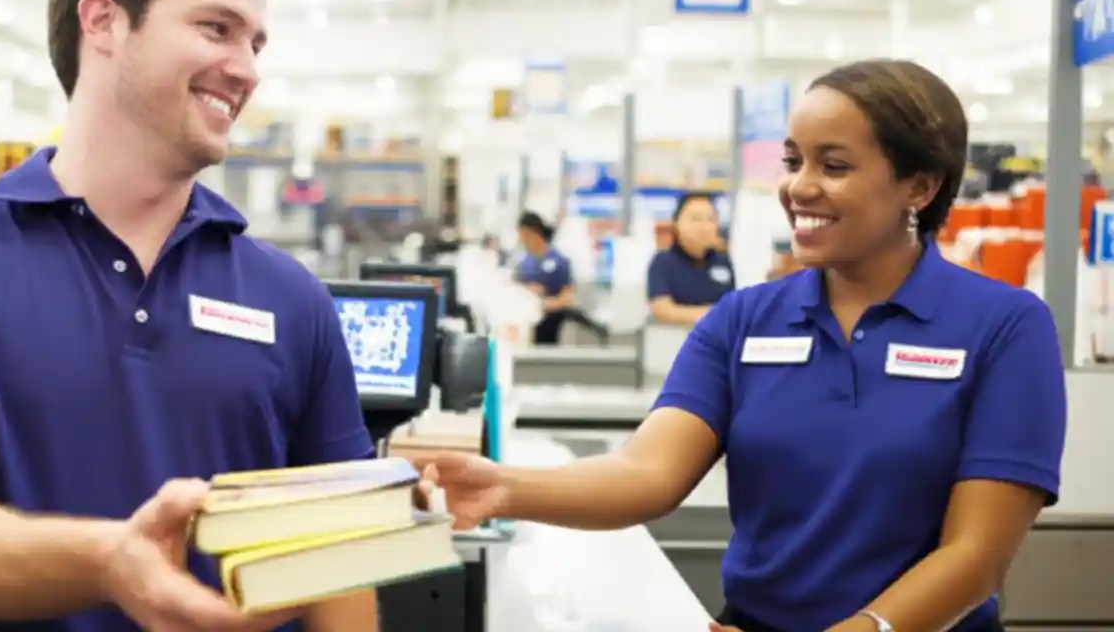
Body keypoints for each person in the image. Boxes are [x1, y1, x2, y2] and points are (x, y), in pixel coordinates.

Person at [0, 0, 379, 631]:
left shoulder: (292, 299)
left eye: (255, 43)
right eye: (216, 28)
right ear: (102, 22)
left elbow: (340, 564)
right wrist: (107, 563)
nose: (248, 68)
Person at [414, 60, 1067, 632]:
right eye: (793, 161)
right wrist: (504, 488)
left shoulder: (1004, 328)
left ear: (919, 188)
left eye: (833, 166)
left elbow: (977, 556)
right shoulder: (745, 321)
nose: (798, 186)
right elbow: (647, 474)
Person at [647, 192, 735, 325]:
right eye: (695, 219)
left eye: (710, 219)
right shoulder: (663, 262)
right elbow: (663, 310)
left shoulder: (722, 260)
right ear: (676, 224)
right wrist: (714, 315)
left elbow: (733, 308)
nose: (704, 227)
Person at [512, 211, 575, 345]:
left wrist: (544, 303)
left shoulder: (558, 261)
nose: (521, 240)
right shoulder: (523, 263)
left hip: (550, 327)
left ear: (533, 232)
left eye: (523, 235)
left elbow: (567, 297)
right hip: (525, 328)